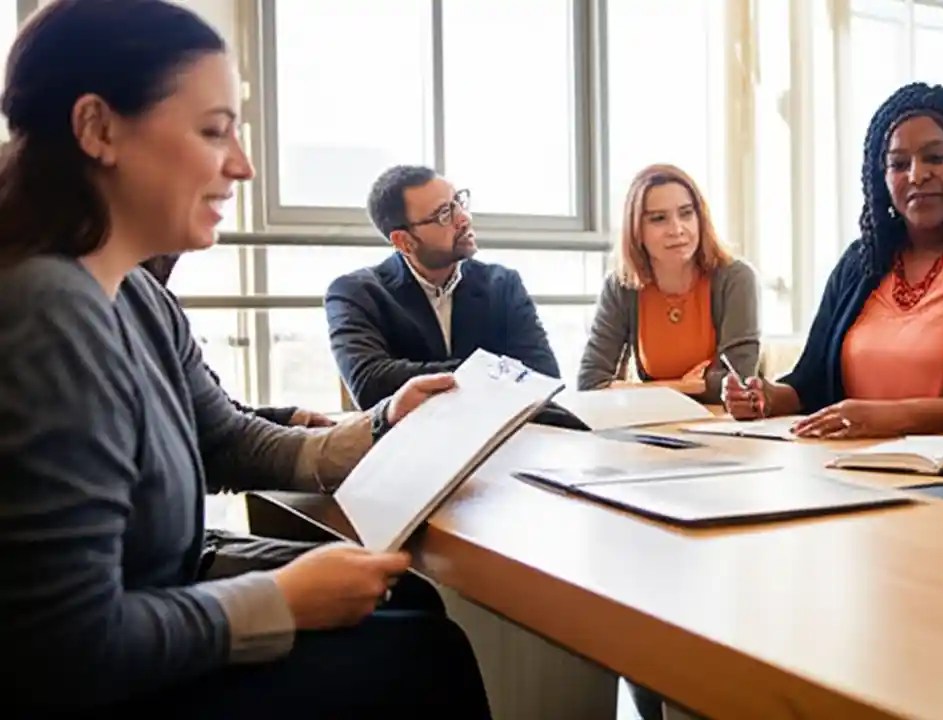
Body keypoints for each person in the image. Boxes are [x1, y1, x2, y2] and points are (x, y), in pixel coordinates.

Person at [0, 1, 490, 715]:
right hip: (101, 670)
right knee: (422, 658)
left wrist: (380, 428)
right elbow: (60, 651)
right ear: (98, 128)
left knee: (408, 605)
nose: (243, 165)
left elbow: (223, 438)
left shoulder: (136, 294)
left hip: (159, 591)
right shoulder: (47, 308)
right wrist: (278, 601)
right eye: (213, 131)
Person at [722, 83, 943, 438]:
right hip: (845, 463)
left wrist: (893, 418)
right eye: (898, 163)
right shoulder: (860, 261)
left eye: (935, 158)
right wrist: (766, 397)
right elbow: (810, 383)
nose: (917, 175)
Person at [325, 165, 560, 410]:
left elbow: (543, 376)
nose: (464, 218)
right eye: (444, 214)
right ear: (404, 241)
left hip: (502, 441)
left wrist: (429, 377)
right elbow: (370, 385)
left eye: (458, 202)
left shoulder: (502, 284)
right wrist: (499, 373)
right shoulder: (356, 294)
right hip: (409, 444)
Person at [578, 163, 760, 403]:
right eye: (658, 219)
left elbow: (738, 382)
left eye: (686, 213)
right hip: (655, 426)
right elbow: (590, 382)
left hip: (726, 426)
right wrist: (687, 386)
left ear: (700, 218)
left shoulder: (736, 279)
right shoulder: (621, 286)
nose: (676, 229)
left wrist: (633, 389)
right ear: (636, 230)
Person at [141, 251, 335, 427]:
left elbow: (212, 415)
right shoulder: (136, 311)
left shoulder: (159, 305)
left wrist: (289, 418)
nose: (221, 210)